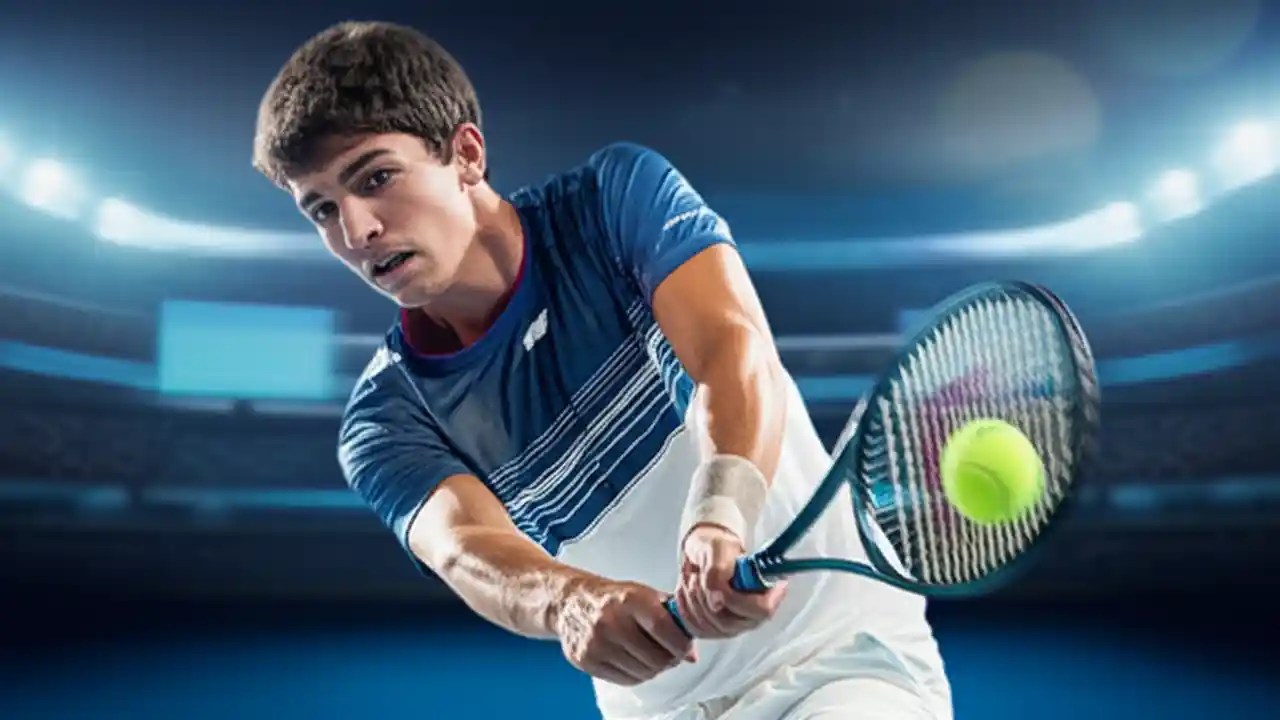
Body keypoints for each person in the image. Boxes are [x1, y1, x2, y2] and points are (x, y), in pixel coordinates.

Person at [251, 20, 952, 720]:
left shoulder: (612, 202)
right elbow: (465, 547)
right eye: (322, 210)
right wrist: (568, 601)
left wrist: (718, 518)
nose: (357, 231)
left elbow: (729, 350)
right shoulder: (384, 418)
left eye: (376, 178)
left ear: (465, 153)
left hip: (841, 659)